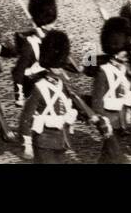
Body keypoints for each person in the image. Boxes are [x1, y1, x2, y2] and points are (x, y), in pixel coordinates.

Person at [18, 30, 107, 163]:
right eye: (58, 67)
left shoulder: (61, 83)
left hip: (61, 138)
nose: (61, 69)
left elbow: (74, 98)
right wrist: (27, 143)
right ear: (52, 67)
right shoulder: (38, 87)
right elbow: (26, 116)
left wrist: (91, 115)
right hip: (43, 140)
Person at [89, 16, 131, 163]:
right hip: (107, 120)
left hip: (120, 119)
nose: (126, 53)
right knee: (118, 157)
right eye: (123, 50)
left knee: (107, 157)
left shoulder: (124, 68)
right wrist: (103, 122)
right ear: (116, 51)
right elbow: (97, 102)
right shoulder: (103, 71)